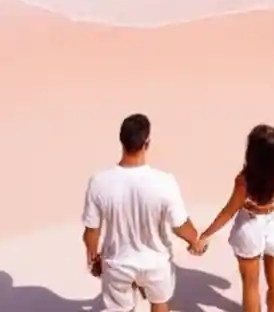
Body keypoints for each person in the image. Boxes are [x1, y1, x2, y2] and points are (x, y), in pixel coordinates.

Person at [82, 114, 205, 312]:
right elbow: (180, 225)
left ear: (121, 140)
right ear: (146, 143)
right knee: (159, 303)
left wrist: (93, 259)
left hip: (117, 263)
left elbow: (91, 231)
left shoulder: (99, 182)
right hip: (155, 263)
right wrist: (195, 241)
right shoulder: (165, 182)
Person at [197, 125, 274, 312]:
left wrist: (205, 234)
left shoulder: (244, 181)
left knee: (250, 284)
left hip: (250, 226)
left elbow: (229, 212)